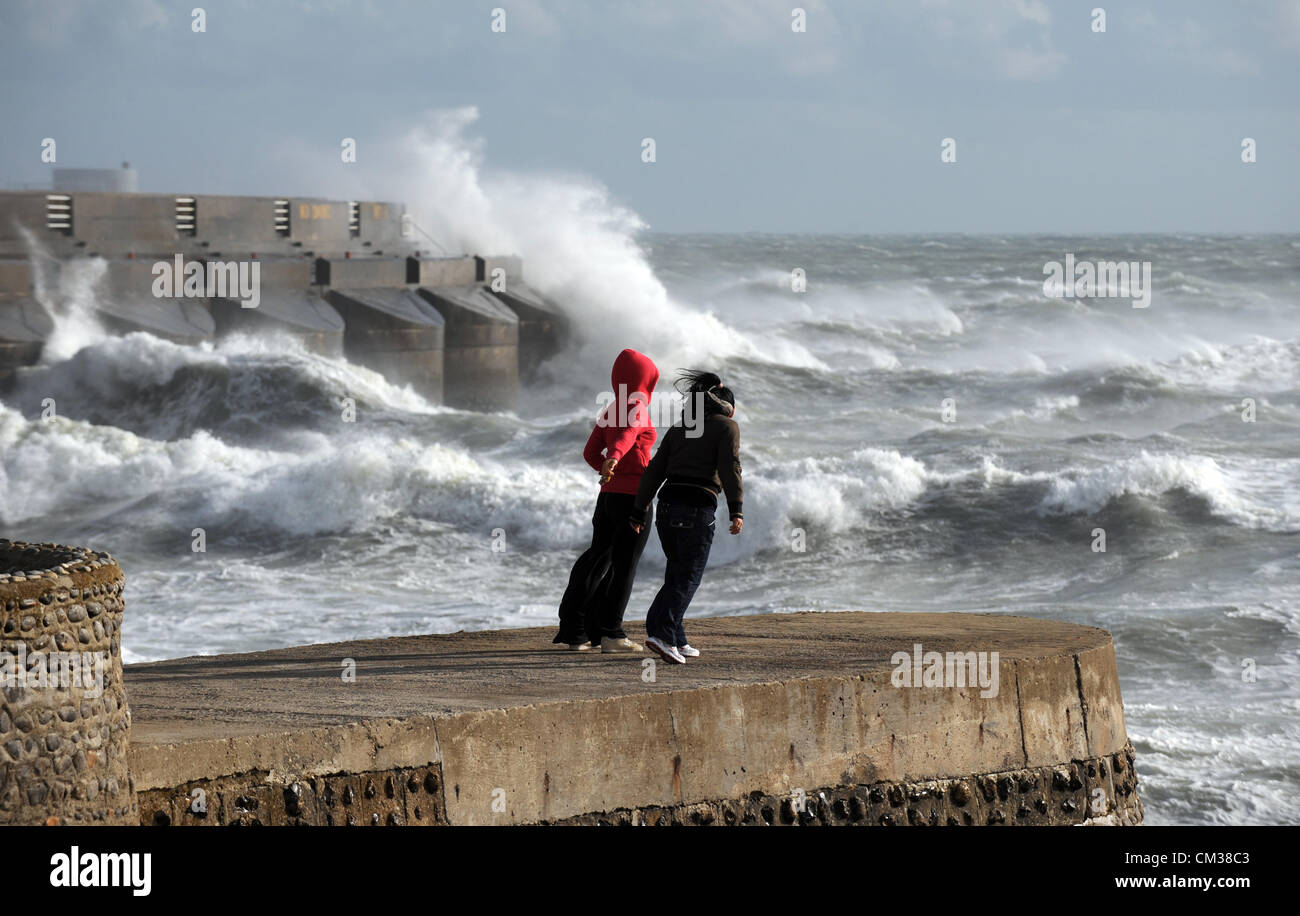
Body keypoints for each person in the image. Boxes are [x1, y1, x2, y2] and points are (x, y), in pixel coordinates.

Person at [629, 370, 743, 664]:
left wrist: (639, 509)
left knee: (677, 572)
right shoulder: (726, 427)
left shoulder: (680, 429)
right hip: (696, 508)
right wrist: (736, 509)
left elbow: (654, 470)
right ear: (727, 406)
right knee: (688, 576)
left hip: (666, 509)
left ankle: (674, 637)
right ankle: (662, 636)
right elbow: (730, 468)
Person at [553, 348, 660, 652]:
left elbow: (589, 452)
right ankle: (612, 634)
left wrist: (606, 468)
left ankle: (578, 632)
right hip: (633, 500)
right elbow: (628, 435)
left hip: (607, 498)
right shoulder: (637, 405)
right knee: (624, 568)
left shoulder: (611, 408)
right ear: (646, 378)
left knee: (598, 558)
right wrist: (614, 458)